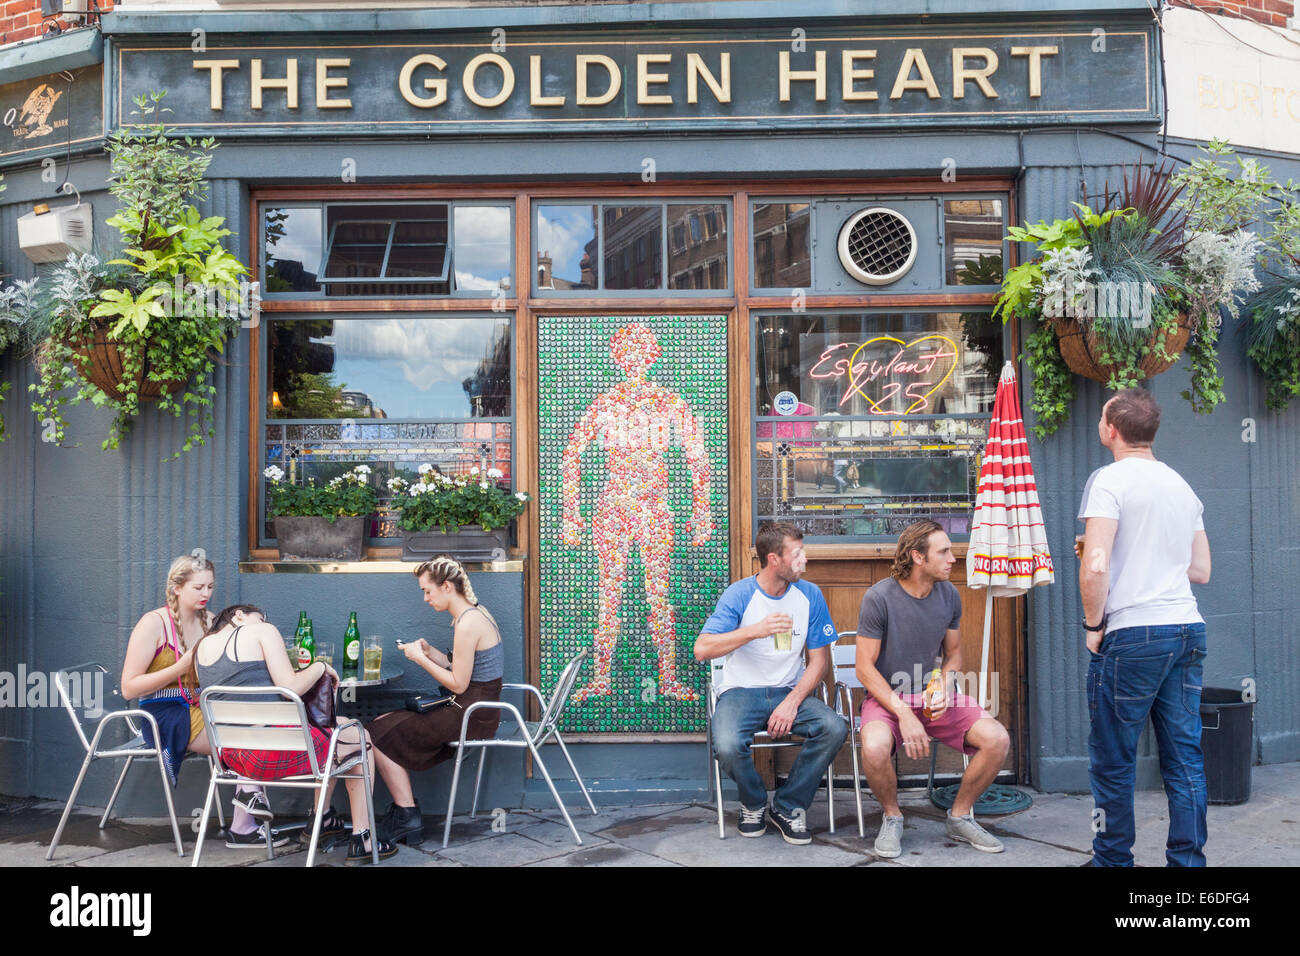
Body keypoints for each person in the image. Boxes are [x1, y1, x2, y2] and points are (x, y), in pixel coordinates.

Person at [1078, 388, 1211, 867]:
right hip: (1187, 629)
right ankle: (1188, 864)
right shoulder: (1181, 485)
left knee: (1112, 762)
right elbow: (1201, 571)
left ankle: (1111, 861)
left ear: (1112, 429)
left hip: (1133, 633)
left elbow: (1094, 563)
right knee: (1185, 759)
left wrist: (1095, 623)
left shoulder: (1110, 480)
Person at [561, 322, 711, 703]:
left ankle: (670, 679)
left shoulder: (670, 403)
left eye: (640, 351)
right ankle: (601, 678)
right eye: (625, 352)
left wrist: (702, 512)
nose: (633, 359)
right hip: (613, 510)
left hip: (655, 510)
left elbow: (697, 457)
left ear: (652, 356)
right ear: (617, 358)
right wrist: (570, 514)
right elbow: (571, 454)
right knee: (608, 597)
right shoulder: (606, 403)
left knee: (659, 597)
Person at [195, 604, 397, 864]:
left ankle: (322, 818)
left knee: (340, 727)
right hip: (274, 754)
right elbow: (290, 686)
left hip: (234, 760)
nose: (264, 621)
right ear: (239, 615)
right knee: (359, 736)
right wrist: (320, 666)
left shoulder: (202, 646)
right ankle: (363, 838)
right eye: (260, 617)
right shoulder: (261, 631)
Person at [856, 519, 1011, 857]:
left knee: (997, 739)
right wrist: (902, 713)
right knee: (874, 747)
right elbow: (864, 667)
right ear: (918, 557)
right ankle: (893, 816)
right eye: (944, 552)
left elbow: (953, 655)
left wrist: (942, 683)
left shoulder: (949, 594)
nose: (953, 558)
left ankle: (959, 815)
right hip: (888, 699)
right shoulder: (879, 597)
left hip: (934, 696)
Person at [695, 521, 846, 845]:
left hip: (790, 690)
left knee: (833, 727)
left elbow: (819, 661)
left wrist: (791, 702)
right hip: (741, 692)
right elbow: (702, 648)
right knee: (726, 745)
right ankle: (754, 802)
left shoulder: (810, 595)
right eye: (797, 553)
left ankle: (789, 805)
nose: (804, 560)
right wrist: (754, 630)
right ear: (774, 559)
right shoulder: (740, 594)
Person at [120, 555, 273, 847]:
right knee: (245, 735)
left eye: (210, 587)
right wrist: (180, 667)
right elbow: (129, 688)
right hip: (163, 713)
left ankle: (245, 817)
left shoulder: (211, 621)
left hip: (203, 704)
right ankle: (243, 825)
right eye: (198, 587)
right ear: (177, 588)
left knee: (260, 720)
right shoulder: (154, 624)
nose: (206, 594)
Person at [367, 556, 505, 848]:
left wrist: (419, 660)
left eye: (427, 591)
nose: (426, 599)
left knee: (374, 735)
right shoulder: (475, 613)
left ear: (446, 587)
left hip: (471, 714)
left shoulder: (468, 623)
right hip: (473, 708)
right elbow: (462, 669)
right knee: (379, 725)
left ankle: (407, 817)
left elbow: (458, 683)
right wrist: (430, 653)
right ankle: (406, 814)